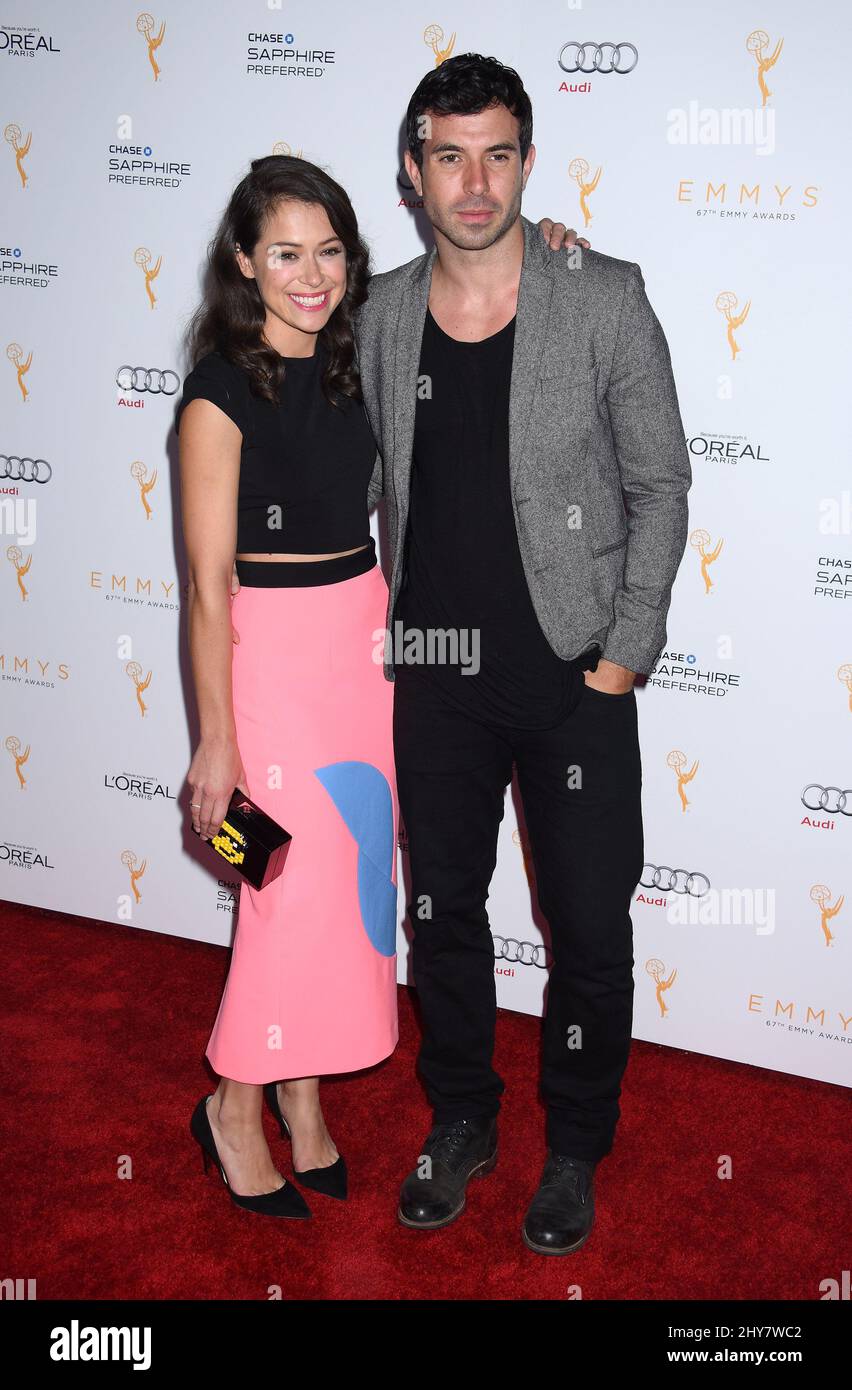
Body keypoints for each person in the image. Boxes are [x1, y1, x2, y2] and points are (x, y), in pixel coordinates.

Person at [179, 153, 580, 1218]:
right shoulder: (218, 391)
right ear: (242, 262)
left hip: (361, 646)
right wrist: (215, 741)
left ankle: (302, 1099)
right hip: (264, 659)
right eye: (284, 254)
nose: (311, 276)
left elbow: (473, 273)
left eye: (329, 253)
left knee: (352, 878)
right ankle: (231, 1100)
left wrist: (555, 255)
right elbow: (207, 591)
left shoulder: (366, 350)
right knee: (276, 883)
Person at [354, 54, 692, 1253]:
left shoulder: (600, 293)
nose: (477, 181)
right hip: (437, 673)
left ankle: (575, 1147)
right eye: (451, 155)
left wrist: (624, 655)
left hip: (573, 676)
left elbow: (661, 482)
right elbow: (363, 473)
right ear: (414, 170)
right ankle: (460, 1118)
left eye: (499, 153)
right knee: (443, 917)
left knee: (590, 929)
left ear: (530, 163)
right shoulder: (381, 313)